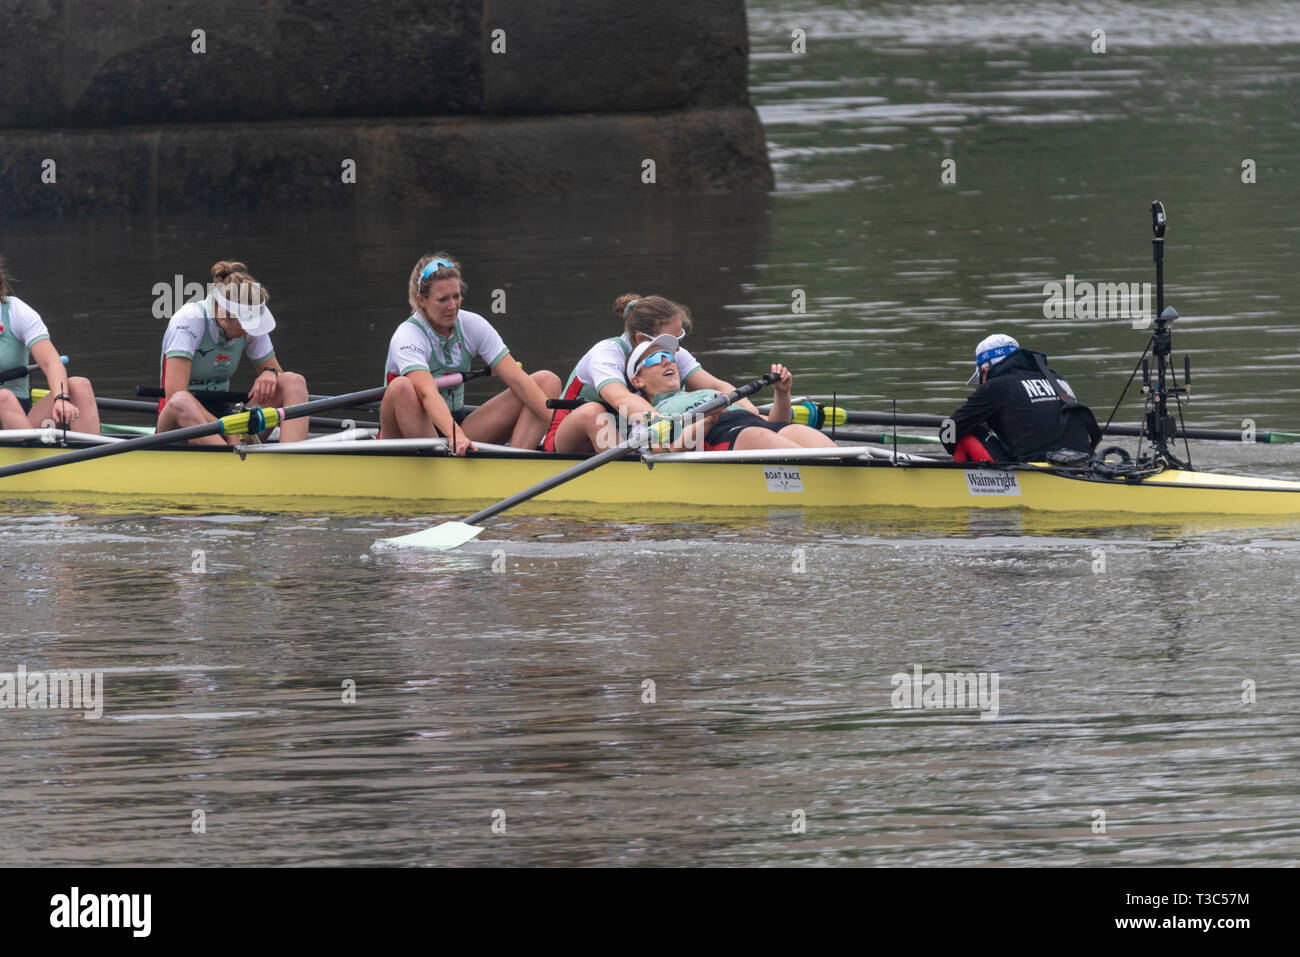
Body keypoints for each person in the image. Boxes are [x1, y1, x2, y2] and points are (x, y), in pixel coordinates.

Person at [380, 254, 560, 455]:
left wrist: (560, 425)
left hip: (456, 425)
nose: (452, 306)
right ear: (421, 300)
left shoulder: (472, 325)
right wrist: (455, 436)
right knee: (402, 387)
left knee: (546, 381)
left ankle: (515, 466)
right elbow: (426, 393)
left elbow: (519, 382)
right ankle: (438, 465)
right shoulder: (408, 335)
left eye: (456, 296)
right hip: (405, 431)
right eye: (443, 299)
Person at [545, 293, 750, 453]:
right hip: (571, 435)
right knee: (592, 412)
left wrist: (749, 411)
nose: (677, 350)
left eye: (679, 338)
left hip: (633, 432)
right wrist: (664, 423)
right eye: (671, 340)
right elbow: (620, 398)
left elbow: (716, 386)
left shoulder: (670, 353)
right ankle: (631, 470)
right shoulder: (607, 352)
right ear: (642, 339)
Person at [157, 261, 310, 446]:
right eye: (246, 324)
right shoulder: (189, 320)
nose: (251, 330)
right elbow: (174, 395)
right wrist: (222, 428)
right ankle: (232, 463)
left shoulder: (249, 325)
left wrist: (270, 372)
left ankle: (291, 462)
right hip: (178, 424)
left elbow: (279, 376)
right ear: (224, 315)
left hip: (225, 422)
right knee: (182, 400)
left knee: (293, 382)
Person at [626, 335, 837, 452]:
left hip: (756, 425)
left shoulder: (706, 391)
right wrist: (708, 420)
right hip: (720, 434)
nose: (666, 361)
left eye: (669, 356)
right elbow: (664, 451)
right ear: (638, 380)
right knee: (757, 435)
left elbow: (775, 422)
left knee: (797, 430)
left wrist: (782, 393)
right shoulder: (646, 411)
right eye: (655, 359)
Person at [942, 333, 1100, 462]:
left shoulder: (996, 386)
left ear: (985, 368)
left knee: (964, 432)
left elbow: (948, 431)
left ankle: (959, 481)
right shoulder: (1058, 379)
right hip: (1082, 458)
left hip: (1037, 469)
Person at [0, 256, 101, 434]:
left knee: (79, 385)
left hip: (20, 415)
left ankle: (93, 457)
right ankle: (31, 455)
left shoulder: (15, 311)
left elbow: (51, 362)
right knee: (3, 397)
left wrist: (60, 398)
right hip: (5, 403)